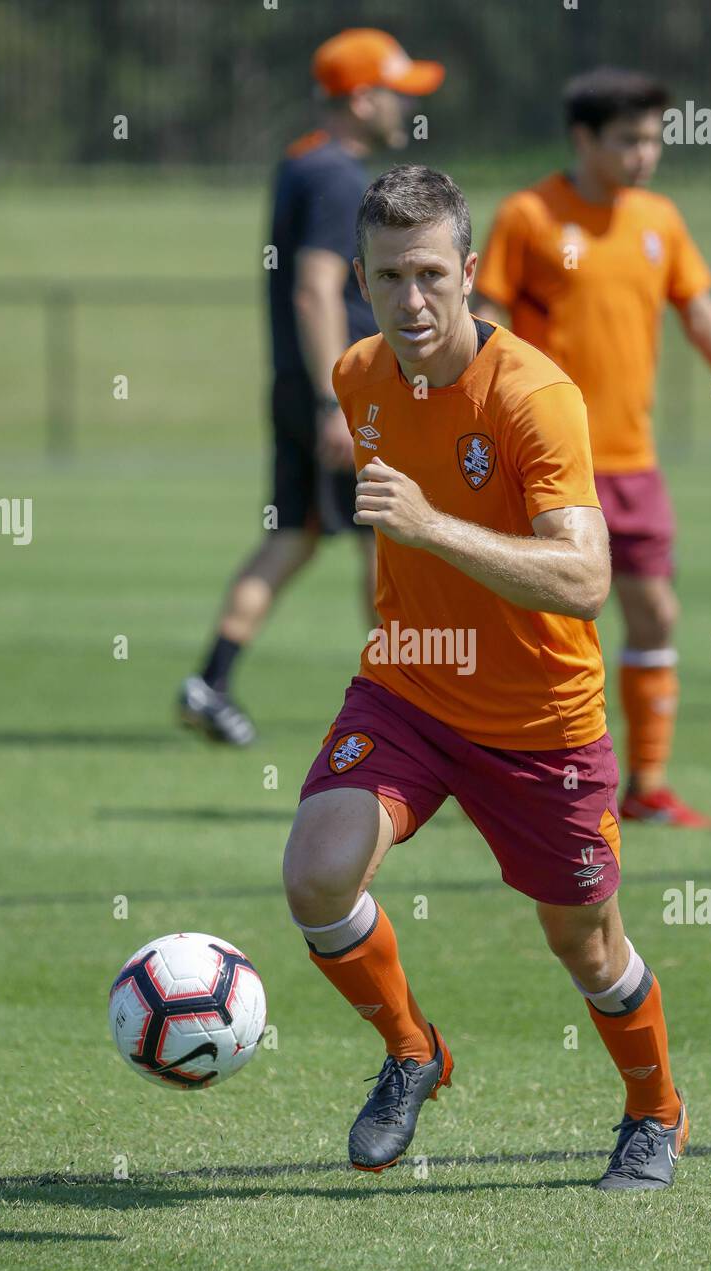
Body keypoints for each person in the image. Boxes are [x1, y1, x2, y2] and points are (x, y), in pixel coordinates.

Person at [282, 164, 689, 1192]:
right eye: (385, 279)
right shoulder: (359, 375)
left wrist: (428, 525)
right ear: (361, 286)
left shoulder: (534, 397)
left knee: (585, 947)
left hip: (539, 721)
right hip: (410, 686)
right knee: (318, 872)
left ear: (467, 271)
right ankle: (414, 1050)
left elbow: (586, 577)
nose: (409, 301)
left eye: (428, 274)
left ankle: (654, 1111)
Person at [474, 68, 711, 826]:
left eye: (654, 139)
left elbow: (699, 312)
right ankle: (518, 779)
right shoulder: (528, 216)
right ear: (584, 139)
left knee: (655, 616)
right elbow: (485, 322)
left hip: (632, 462)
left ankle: (645, 785)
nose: (646, 154)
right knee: (541, 632)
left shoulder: (659, 221)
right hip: (546, 463)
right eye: (629, 140)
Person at [179, 29, 445, 743]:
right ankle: (410, 700)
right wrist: (337, 400)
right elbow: (316, 289)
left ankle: (211, 680)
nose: (403, 106)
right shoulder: (336, 174)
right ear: (361, 97)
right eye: (396, 91)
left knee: (293, 535)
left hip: (300, 384)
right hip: (339, 388)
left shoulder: (303, 161)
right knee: (386, 539)